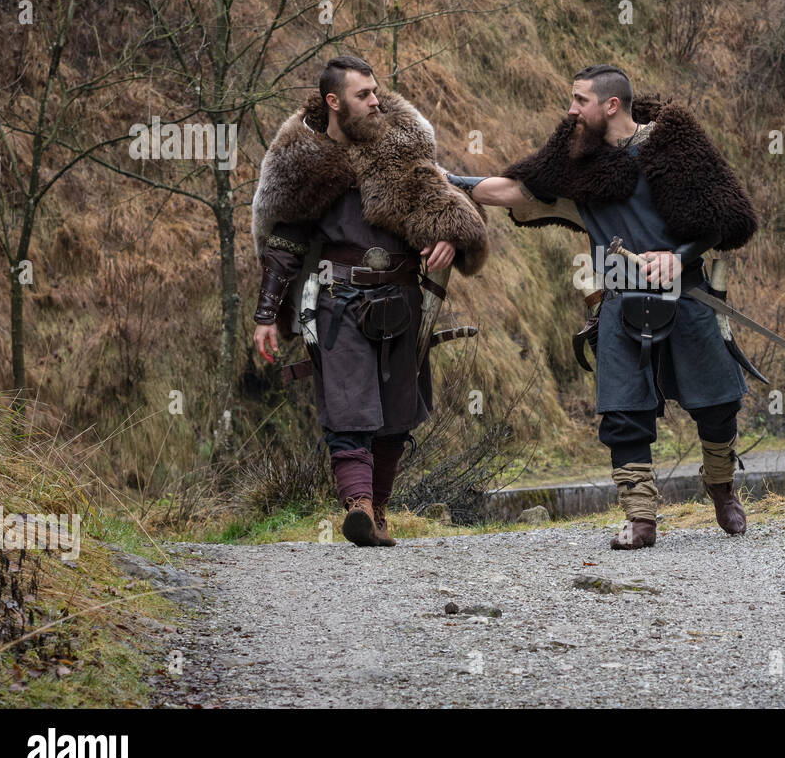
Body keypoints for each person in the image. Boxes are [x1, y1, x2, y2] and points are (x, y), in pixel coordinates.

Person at [450, 64, 758, 549]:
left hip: (689, 295)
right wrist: (444, 181)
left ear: (610, 105)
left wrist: (677, 258)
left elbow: (726, 218)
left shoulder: (674, 145)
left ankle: (720, 487)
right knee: (623, 413)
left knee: (718, 405)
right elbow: (511, 190)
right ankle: (641, 518)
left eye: (579, 100)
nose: (571, 110)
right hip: (619, 300)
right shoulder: (575, 163)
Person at [250, 55, 487, 546]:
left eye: (377, 91)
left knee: (397, 411)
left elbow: (444, 207)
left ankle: (378, 511)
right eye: (364, 95)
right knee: (348, 404)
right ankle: (356, 505)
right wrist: (267, 315)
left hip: (402, 297)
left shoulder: (401, 150)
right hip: (336, 298)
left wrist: (450, 239)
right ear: (334, 102)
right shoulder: (307, 160)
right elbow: (285, 243)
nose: (376, 100)